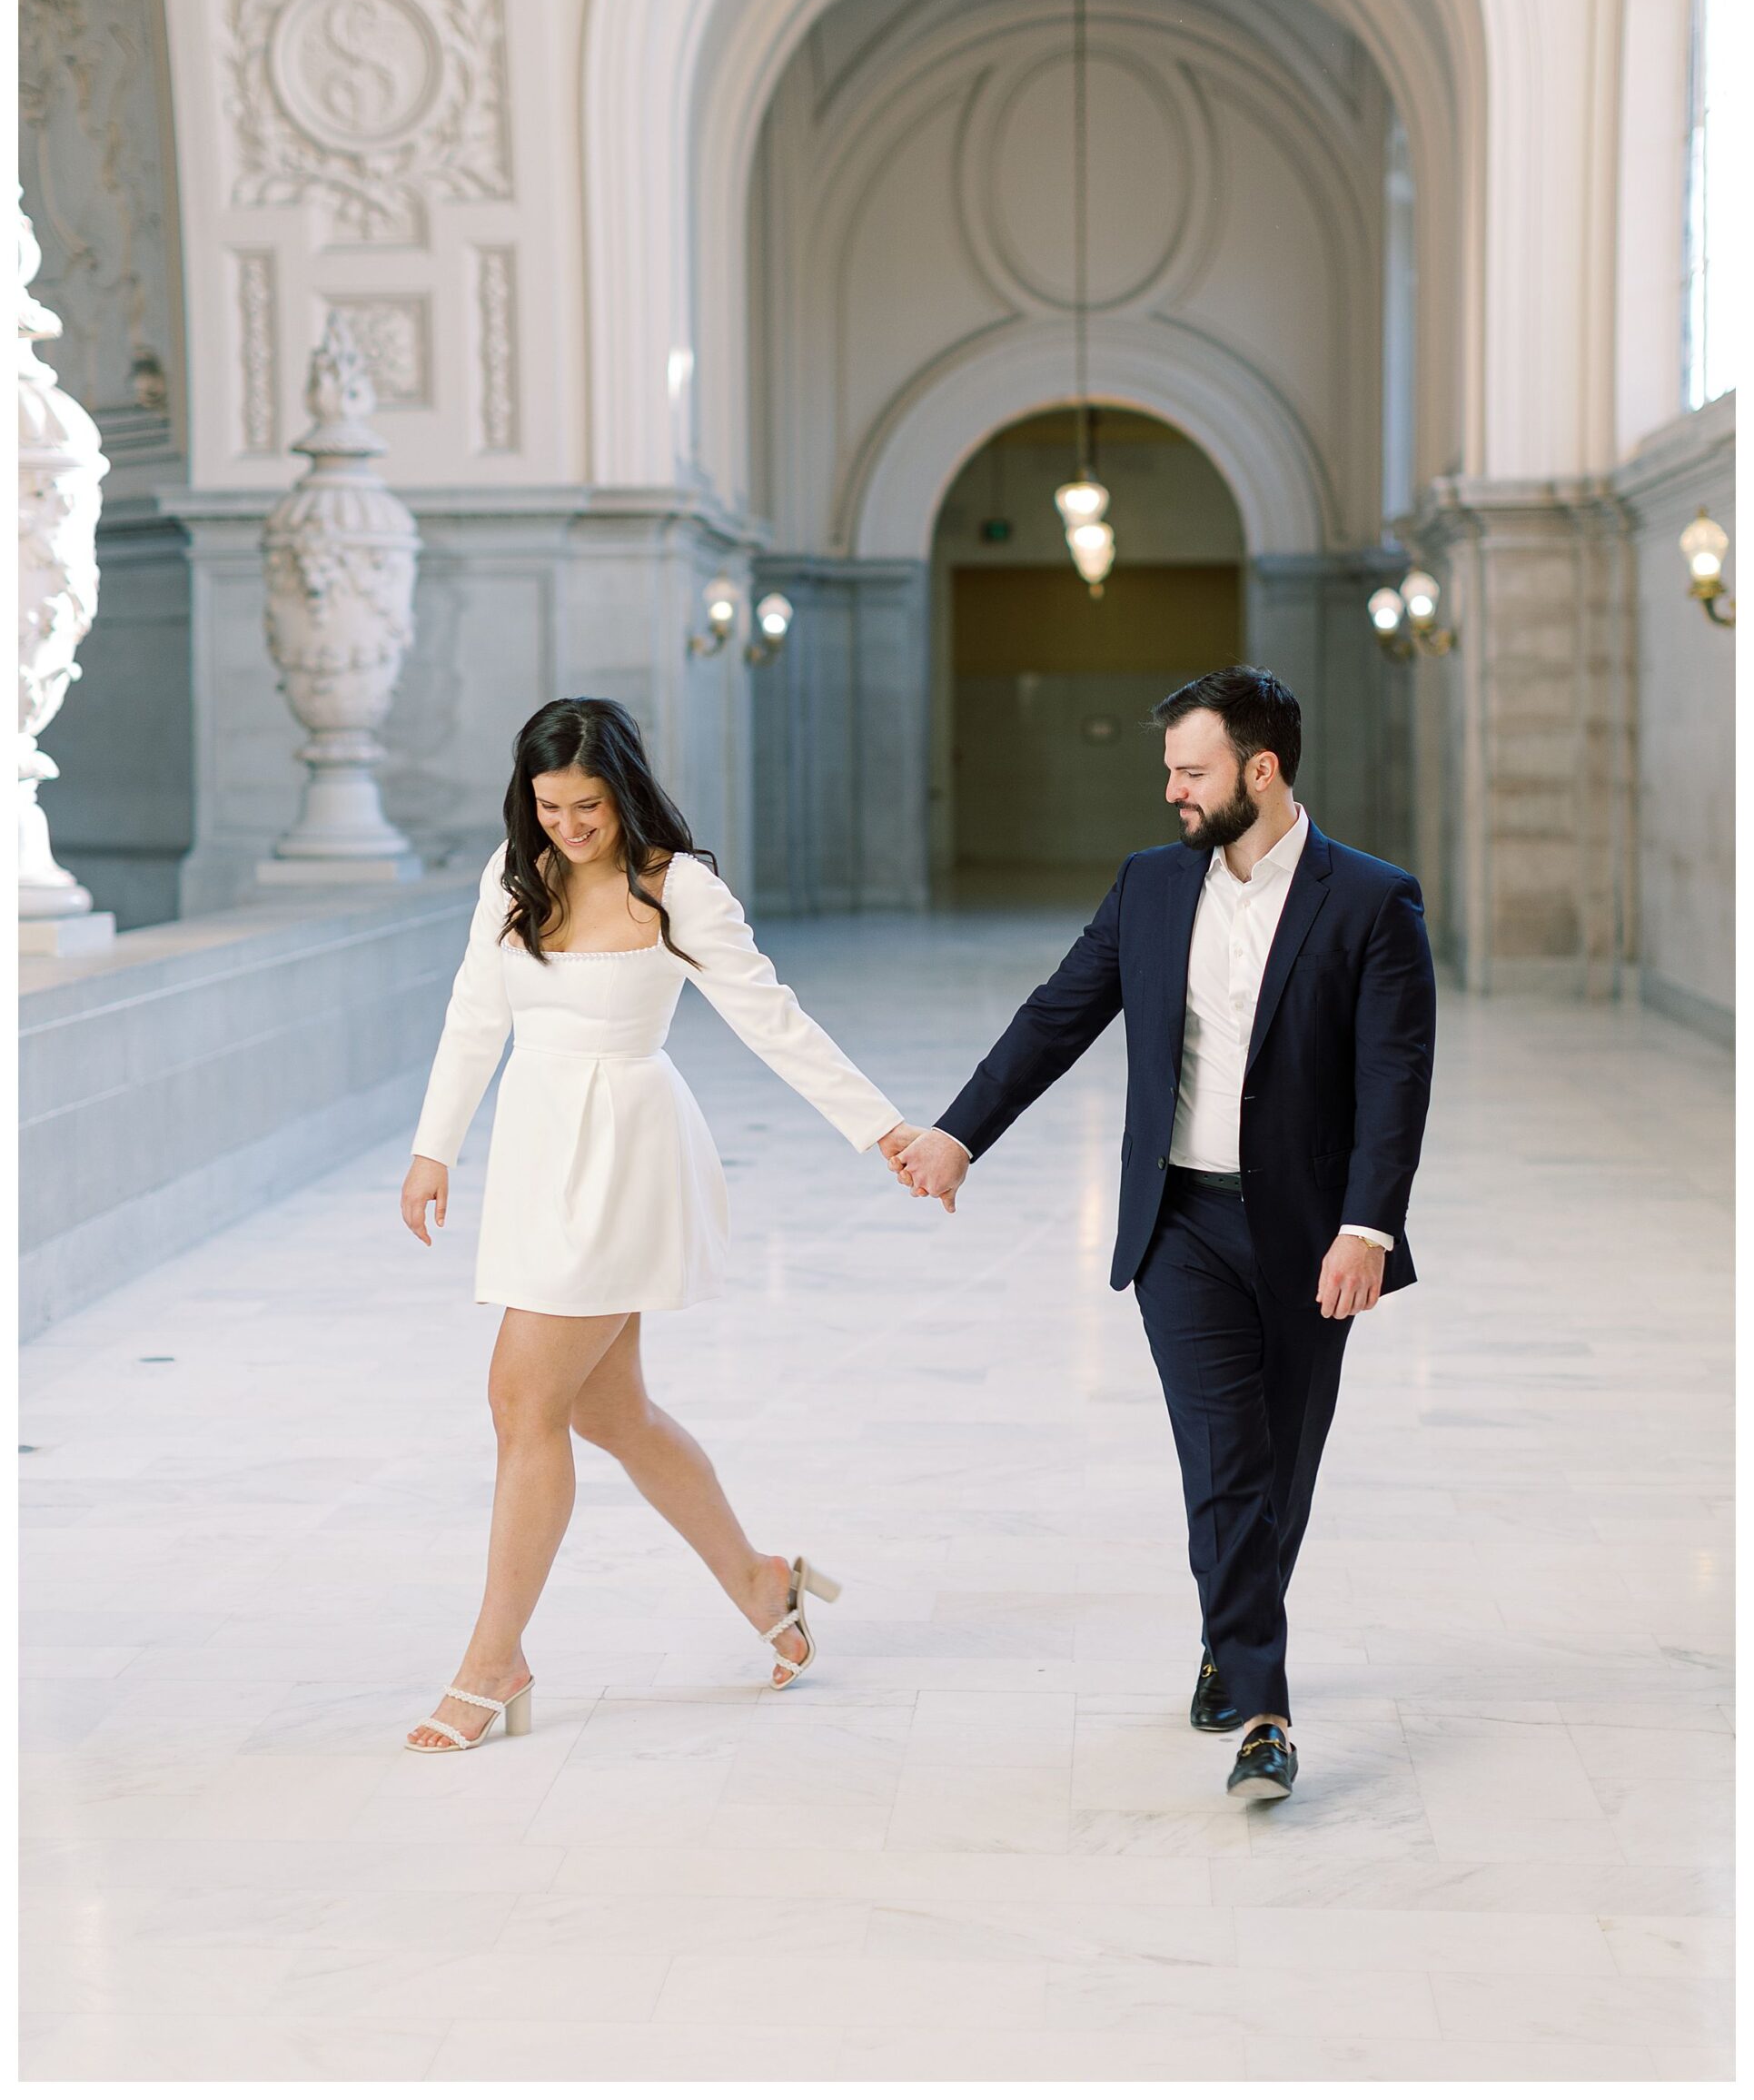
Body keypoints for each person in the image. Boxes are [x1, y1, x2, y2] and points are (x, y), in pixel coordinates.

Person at [887, 667, 1436, 1801]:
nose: (1173, 793)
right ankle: (1265, 1713)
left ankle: (1226, 1638)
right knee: (1224, 1462)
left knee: (1281, 1465)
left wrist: (1367, 1227)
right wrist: (957, 1135)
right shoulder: (1146, 887)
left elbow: (1395, 1079)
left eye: (1191, 772)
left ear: (1261, 769)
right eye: (1170, 772)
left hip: (1311, 1234)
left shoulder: (1370, 900)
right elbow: (1055, 1015)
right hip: (1176, 1221)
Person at [399, 697, 910, 1752]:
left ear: (622, 789)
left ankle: (494, 1661)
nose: (567, 826)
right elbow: (471, 1012)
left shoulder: (679, 887)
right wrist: (432, 1146)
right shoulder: (509, 879)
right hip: (539, 1151)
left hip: (626, 1152)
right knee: (608, 1412)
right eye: (547, 805)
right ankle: (760, 1579)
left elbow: (773, 1018)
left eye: (586, 804)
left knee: (519, 1396)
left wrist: (882, 1129)